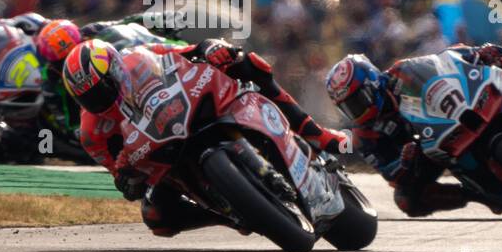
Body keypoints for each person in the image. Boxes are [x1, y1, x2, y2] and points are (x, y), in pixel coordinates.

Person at [62, 37, 345, 237]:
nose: (99, 99)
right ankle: (228, 215)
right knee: (156, 217)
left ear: (114, 69)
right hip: (164, 161)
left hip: (188, 107)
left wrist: (212, 48)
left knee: (248, 64)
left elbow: (187, 50)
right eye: (89, 98)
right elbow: (123, 181)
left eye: (102, 88)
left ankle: (315, 135)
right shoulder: (92, 133)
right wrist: (127, 178)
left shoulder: (138, 56)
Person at [324, 43, 502, 217]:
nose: (356, 111)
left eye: (357, 100)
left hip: (460, 110)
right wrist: (405, 163)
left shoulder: (403, 71)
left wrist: (476, 53)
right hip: (432, 149)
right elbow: (392, 175)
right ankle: (478, 194)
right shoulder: (366, 135)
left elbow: (447, 58)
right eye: (348, 107)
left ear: (372, 83)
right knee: (406, 200)